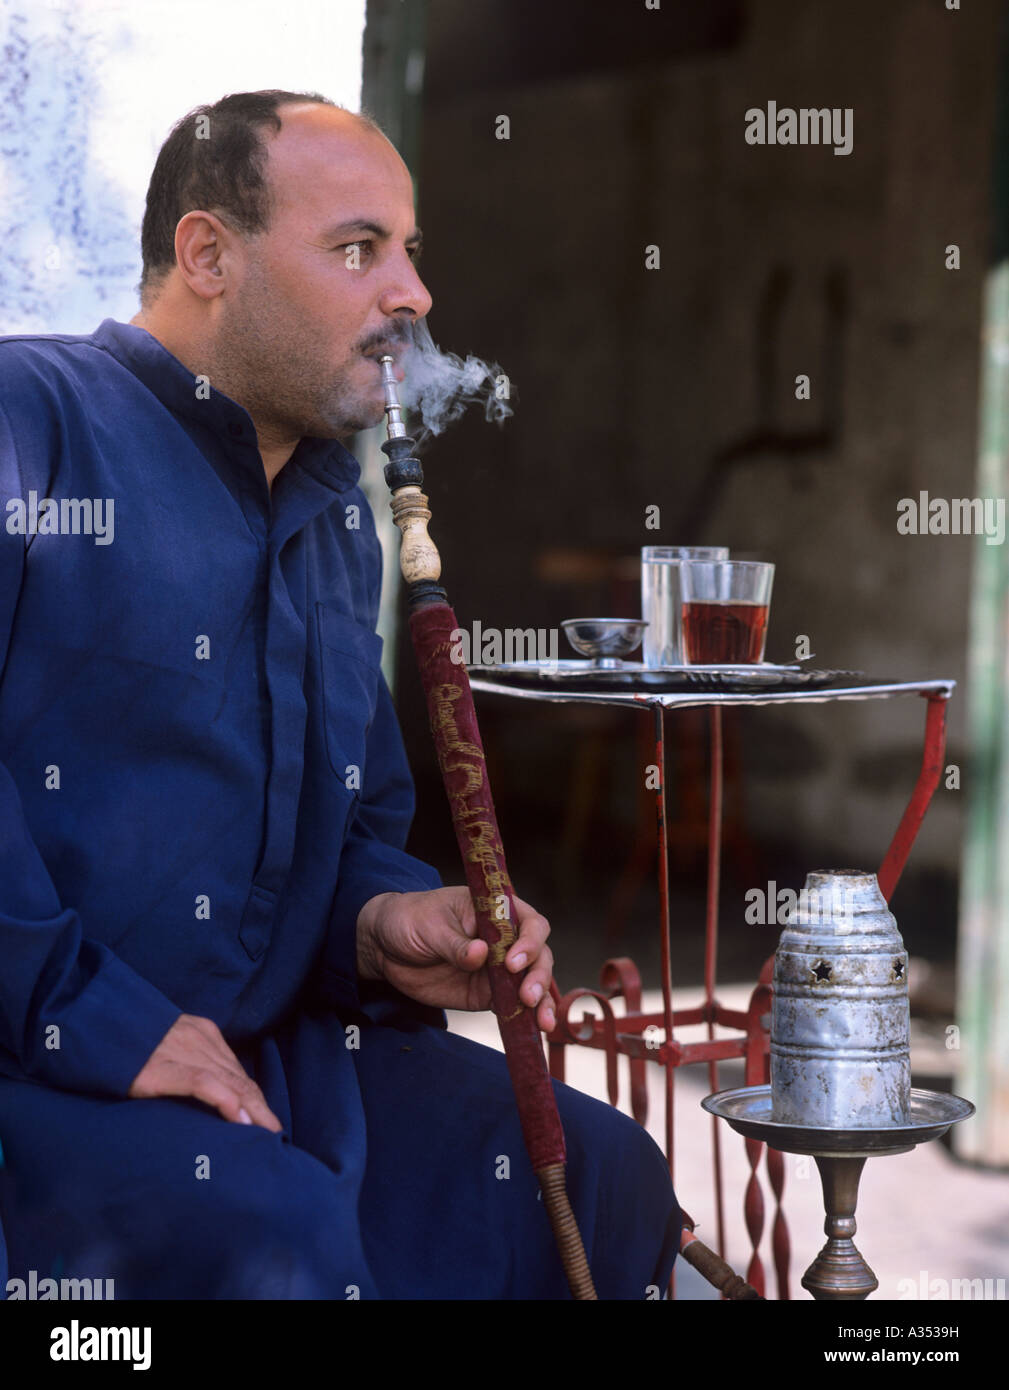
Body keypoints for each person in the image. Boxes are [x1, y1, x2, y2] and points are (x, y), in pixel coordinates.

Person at [0, 89, 681, 1299]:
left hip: (273, 1049)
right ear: (208, 254)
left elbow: (352, 829)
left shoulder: (334, 526)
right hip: (39, 1058)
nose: (411, 293)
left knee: (603, 1172)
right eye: (360, 249)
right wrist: (95, 1015)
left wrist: (385, 925)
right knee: (271, 1243)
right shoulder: (33, 421)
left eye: (411, 252)